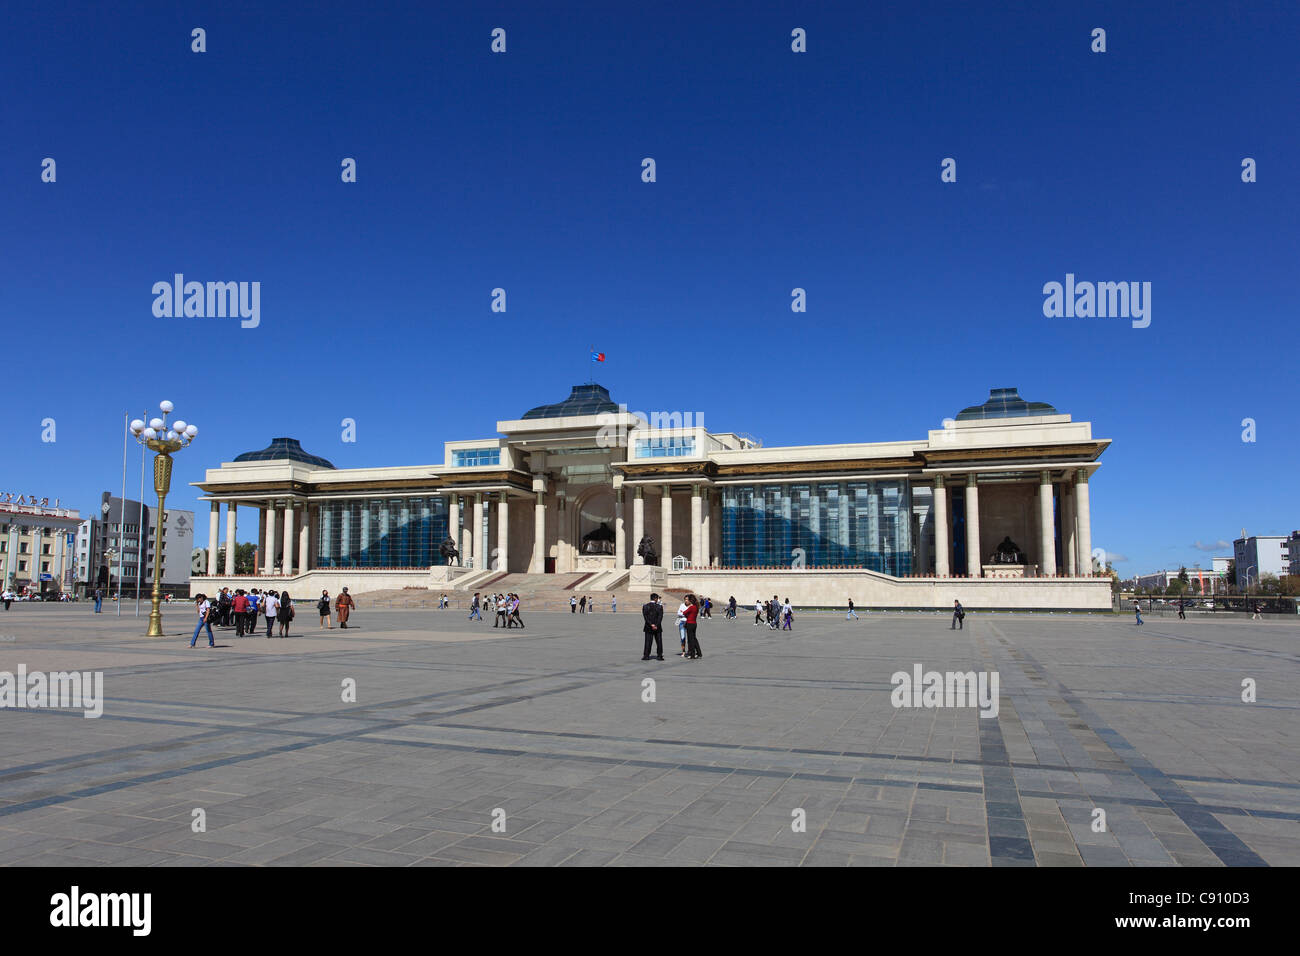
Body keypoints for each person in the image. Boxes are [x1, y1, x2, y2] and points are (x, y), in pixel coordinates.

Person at [642, 592, 665, 660]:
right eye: (657, 598)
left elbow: (645, 617)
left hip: (648, 626)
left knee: (648, 641)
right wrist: (656, 625)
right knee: (659, 641)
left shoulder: (645, 606)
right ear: (655, 598)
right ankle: (659, 655)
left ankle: (646, 655)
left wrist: (651, 624)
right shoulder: (659, 607)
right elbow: (660, 617)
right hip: (657, 627)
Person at [683, 594, 703, 659]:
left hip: (689, 624)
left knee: (690, 640)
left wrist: (686, 611)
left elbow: (684, 612)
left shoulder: (691, 607)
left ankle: (692, 654)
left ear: (690, 600)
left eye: (688, 599)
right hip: (694, 624)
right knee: (694, 639)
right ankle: (699, 653)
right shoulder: (696, 607)